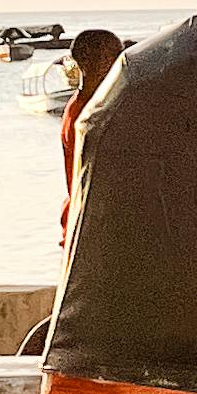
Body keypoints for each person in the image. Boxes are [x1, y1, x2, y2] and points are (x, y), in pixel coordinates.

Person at [59, 30, 125, 244]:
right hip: (89, 225)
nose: (118, 63)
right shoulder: (84, 114)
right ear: (86, 61)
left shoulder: (97, 106)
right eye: (111, 56)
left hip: (91, 221)